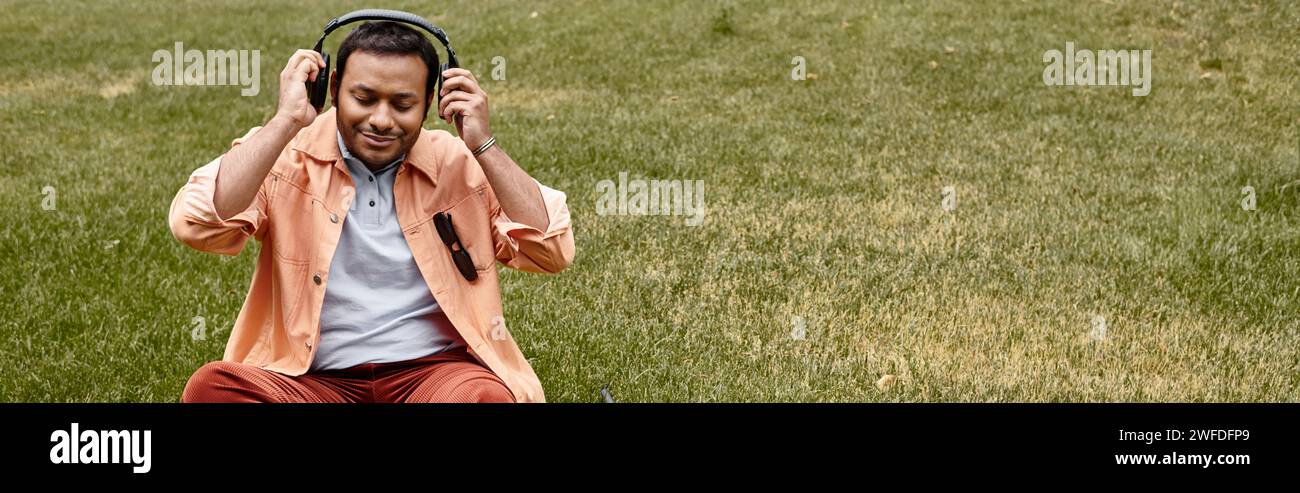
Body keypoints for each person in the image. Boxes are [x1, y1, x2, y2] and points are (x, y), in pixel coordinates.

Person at [170, 21, 574, 403]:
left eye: (402, 104)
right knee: (213, 388)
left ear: (431, 103)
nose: (381, 120)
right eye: (363, 99)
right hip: (310, 380)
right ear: (331, 91)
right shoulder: (286, 154)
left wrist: (482, 143)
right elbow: (197, 224)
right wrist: (285, 122)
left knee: (483, 398)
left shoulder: (458, 162)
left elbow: (550, 250)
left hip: (434, 374)